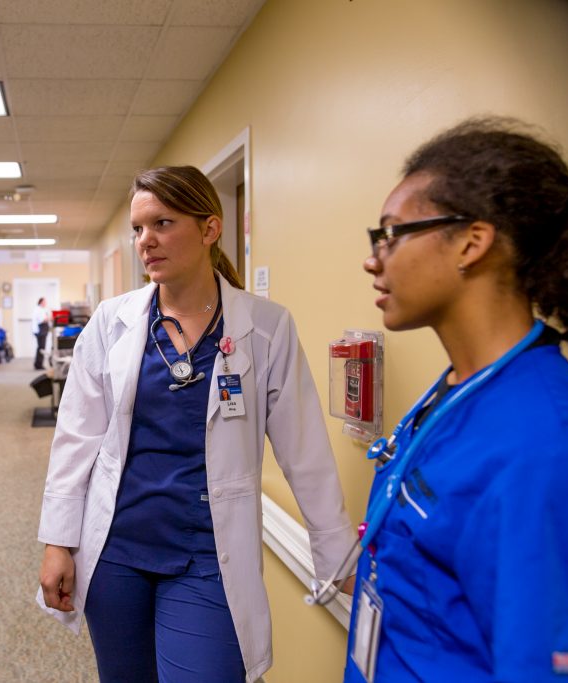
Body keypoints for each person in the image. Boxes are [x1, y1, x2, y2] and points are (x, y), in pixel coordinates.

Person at [338, 118, 568, 682]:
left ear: (472, 241)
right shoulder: (455, 394)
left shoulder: (553, 451)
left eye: (393, 234)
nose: (374, 259)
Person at [37, 165, 354, 683]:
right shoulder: (110, 322)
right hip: (116, 551)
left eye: (162, 223)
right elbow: (76, 440)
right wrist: (56, 542)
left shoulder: (266, 327)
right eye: (138, 229)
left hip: (207, 554)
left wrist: (335, 551)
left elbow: (305, 452)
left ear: (210, 228)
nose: (146, 242)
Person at [33, 297, 50, 370]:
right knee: (41, 348)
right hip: (40, 330)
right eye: (44, 302)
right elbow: (43, 320)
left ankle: (38, 364)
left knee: (40, 347)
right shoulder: (38, 310)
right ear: (40, 302)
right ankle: (38, 364)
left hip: (42, 330)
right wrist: (49, 318)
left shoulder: (42, 309)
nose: (45, 303)